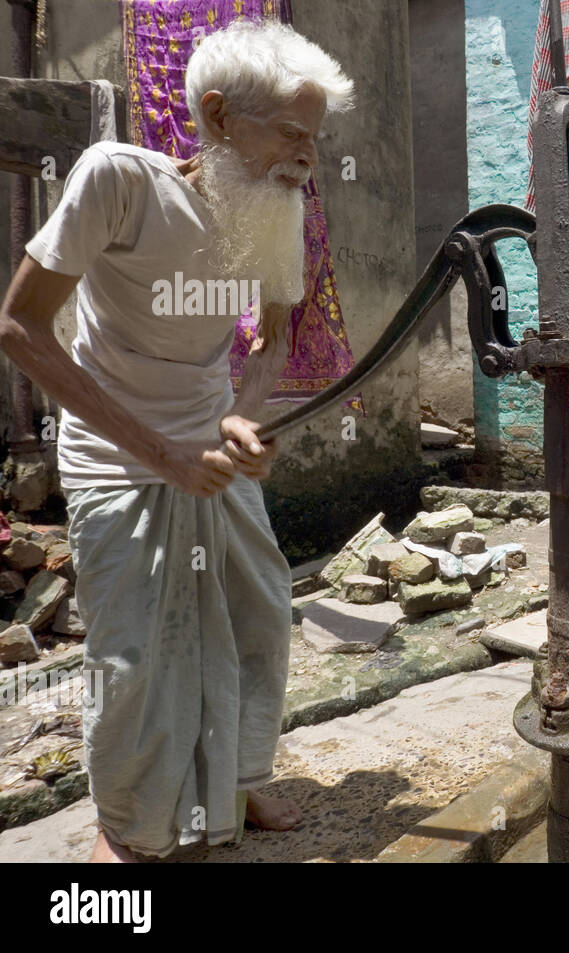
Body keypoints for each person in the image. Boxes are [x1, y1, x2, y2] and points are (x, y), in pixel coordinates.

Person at [0, 21, 354, 860]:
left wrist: (246, 414)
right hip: (117, 457)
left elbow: (271, 338)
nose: (307, 157)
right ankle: (125, 824)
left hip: (208, 449)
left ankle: (237, 776)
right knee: (135, 656)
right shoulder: (119, 180)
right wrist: (163, 455)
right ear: (221, 115)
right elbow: (20, 327)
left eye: (317, 139)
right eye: (293, 134)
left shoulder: (277, 207)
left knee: (260, 614)